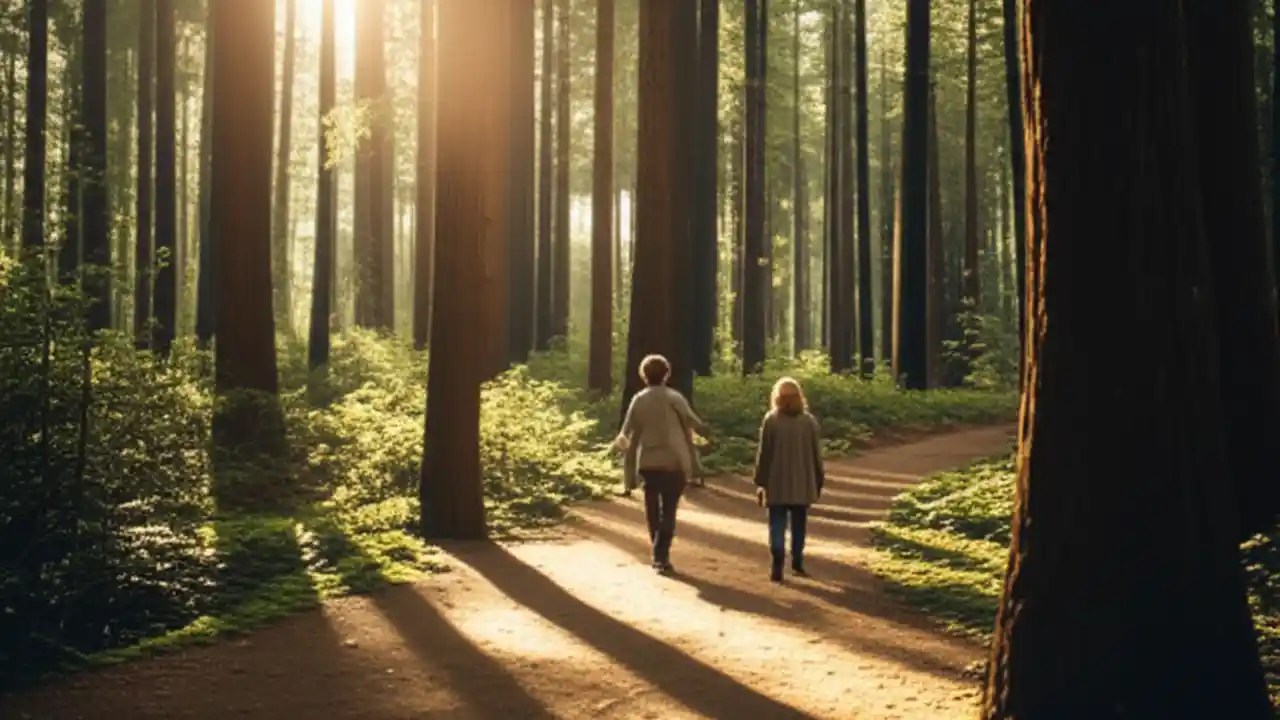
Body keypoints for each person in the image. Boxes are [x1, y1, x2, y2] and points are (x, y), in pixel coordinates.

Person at [615, 354, 707, 575]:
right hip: (675, 461)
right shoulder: (674, 398)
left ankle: (658, 552)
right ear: (666, 374)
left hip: (647, 461)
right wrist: (707, 432)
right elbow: (693, 422)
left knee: (652, 509)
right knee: (669, 510)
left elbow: (625, 432)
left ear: (643, 375)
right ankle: (661, 554)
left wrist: (623, 458)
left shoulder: (639, 399)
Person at [752, 376, 824, 583]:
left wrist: (760, 482)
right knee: (799, 525)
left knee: (777, 524)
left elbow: (764, 454)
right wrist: (819, 479)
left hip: (777, 483)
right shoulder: (809, 422)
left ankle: (777, 564)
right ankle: (797, 561)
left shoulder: (771, 420)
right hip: (803, 483)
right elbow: (815, 454)